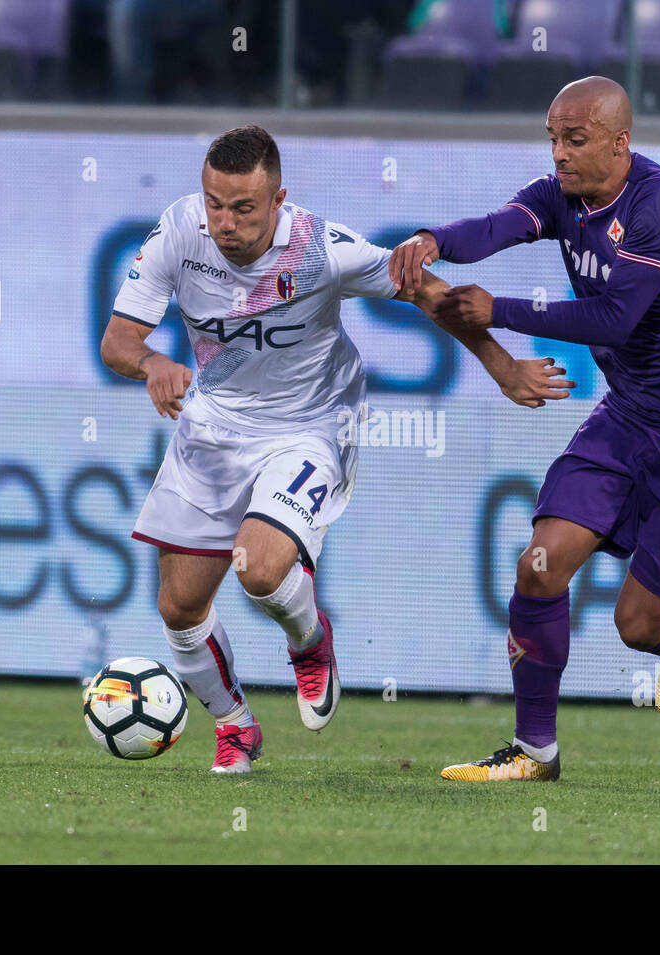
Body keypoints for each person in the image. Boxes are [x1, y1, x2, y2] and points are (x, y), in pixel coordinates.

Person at [102, 125, 572, 773]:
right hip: (215, 424)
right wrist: (152, 363)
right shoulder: (178, 234)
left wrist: (499, 365)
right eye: (215, 203)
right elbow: (118, 341)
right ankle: (236, 724)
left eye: (244, 208)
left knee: (260, 568)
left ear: (278, 200)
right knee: (179, 606)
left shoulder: (321, 249)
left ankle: (310, 639)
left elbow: (430, 292)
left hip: (311, 422)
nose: (226, 222)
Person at [390, 76, 660, 781]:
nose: (559, 154)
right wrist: (432, 238)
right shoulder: (558, 196)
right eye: (553, 137)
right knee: (540, 565)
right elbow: (493, 229)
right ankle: (534, 751)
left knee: (638, 624)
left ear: (621, 143)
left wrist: (495, 310)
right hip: (629, 415)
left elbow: (614, 318)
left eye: (576, 138)